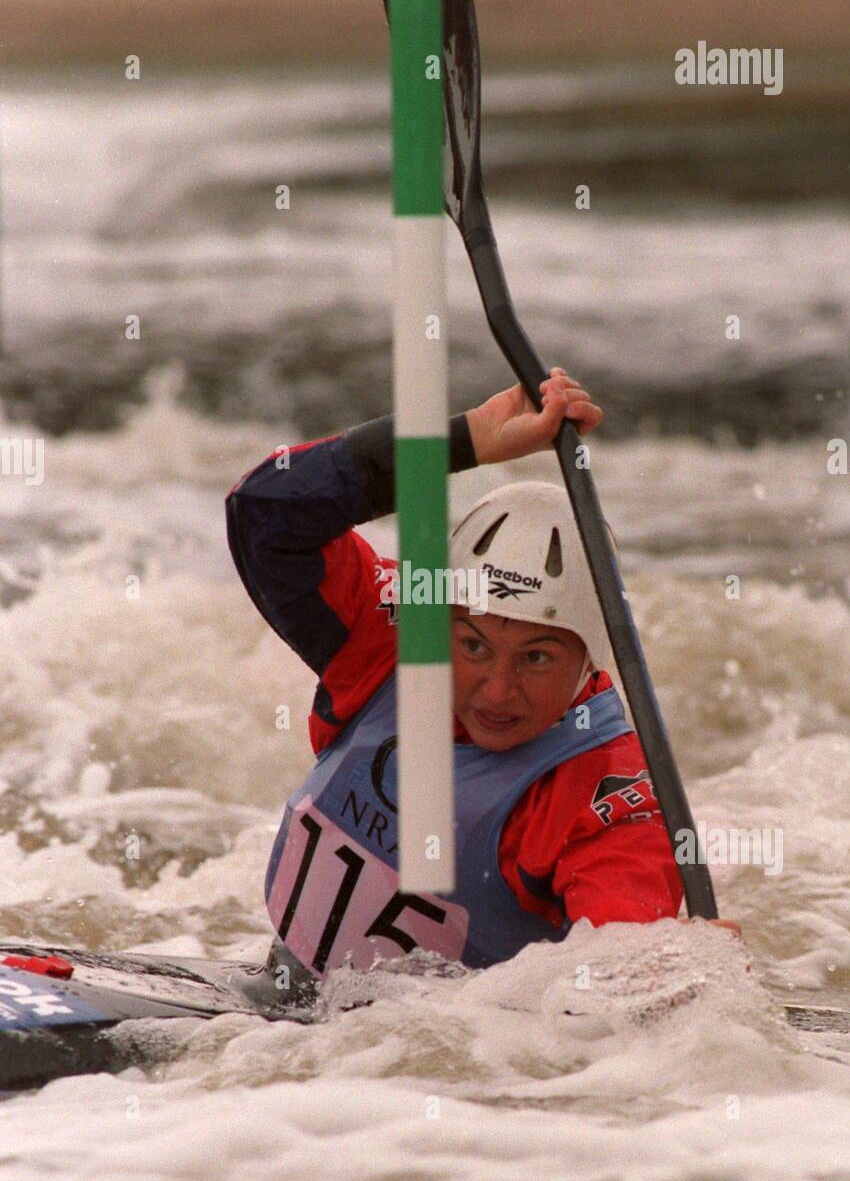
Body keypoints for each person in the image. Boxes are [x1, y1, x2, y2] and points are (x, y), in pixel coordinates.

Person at [226, 369, 738, 1002]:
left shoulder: (607, 802)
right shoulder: (394, 641)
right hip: (278, 999)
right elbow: (266, 510)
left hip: (402, 1070)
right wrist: (466, 440)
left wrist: (662, 977)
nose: (497, 692)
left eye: (538, 658)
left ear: (590, 660)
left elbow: (616, 984)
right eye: (473, 647)